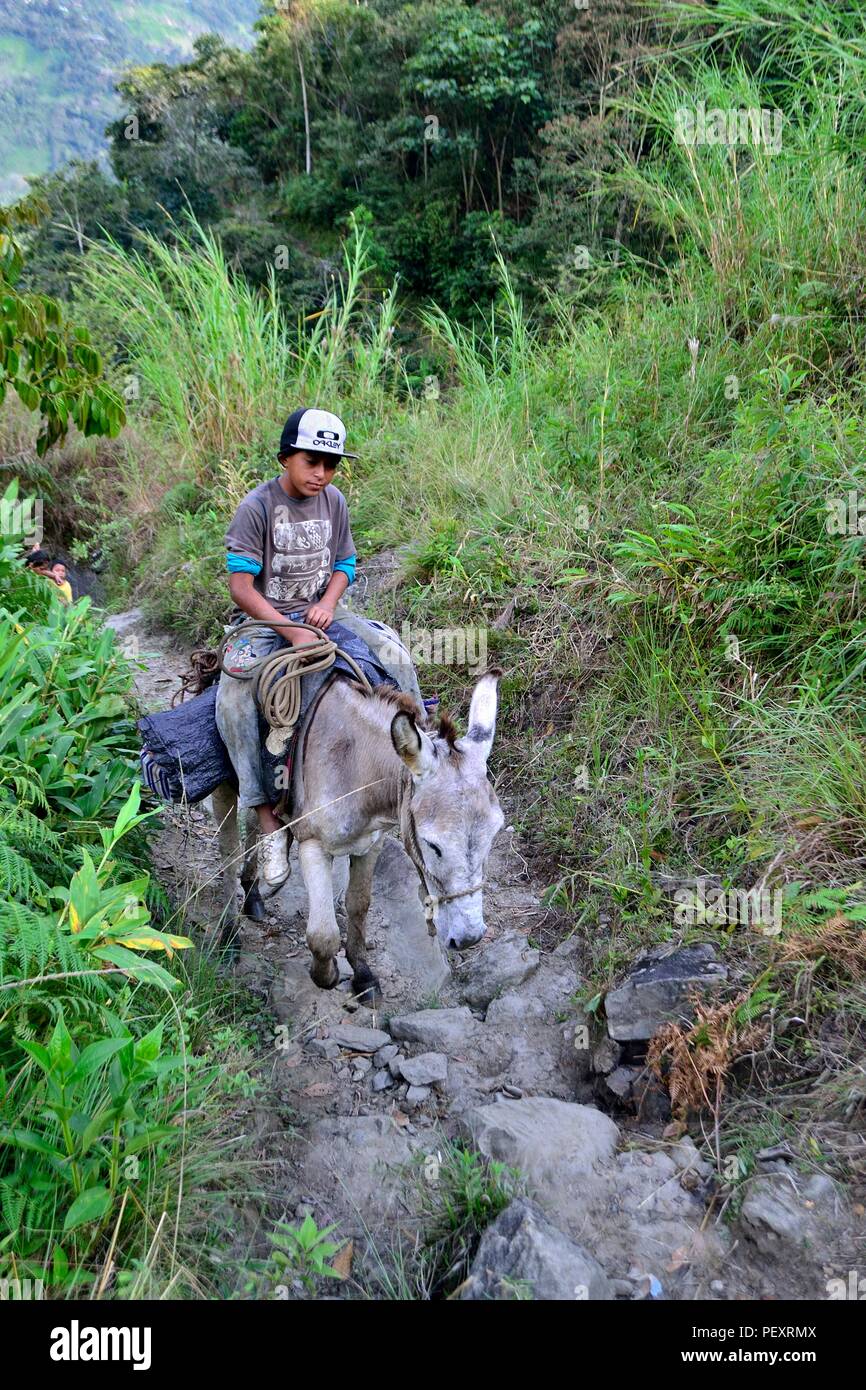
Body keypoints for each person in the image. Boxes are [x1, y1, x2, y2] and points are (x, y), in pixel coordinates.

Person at [215, 407, 420, 890]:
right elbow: (241, 587)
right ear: (286, 457)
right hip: (266, 620)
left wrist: (329, 602)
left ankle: (418, 768)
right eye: (312, 461)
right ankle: (265, 817)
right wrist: (289, 630)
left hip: (323, 611)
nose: (321, 474)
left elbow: (345, 562)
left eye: (331, 465)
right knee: (236, 698)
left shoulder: (335, 501)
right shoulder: (258, 508)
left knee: (397, 657)